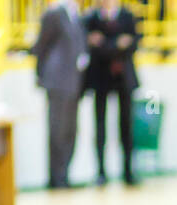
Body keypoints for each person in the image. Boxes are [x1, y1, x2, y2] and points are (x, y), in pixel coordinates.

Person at [32, 0, 88, 189]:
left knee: (70, 131)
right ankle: (56, 178)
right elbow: (41, 46)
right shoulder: (54, 14)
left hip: (74, 81)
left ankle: (65, 175)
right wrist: (40, 75)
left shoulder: (77, 16)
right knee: (57, 130)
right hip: (57, 80)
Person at [84, 0, 141, 186]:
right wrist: (117, 44)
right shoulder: (91, 18)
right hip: (101, 77)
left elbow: (134, 42)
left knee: (126, 125)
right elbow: (91, 44)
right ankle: (101, 172)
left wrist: (105, 43)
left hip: (123, 78)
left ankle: (128, 170)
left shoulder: (127, 16)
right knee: (100, 125)